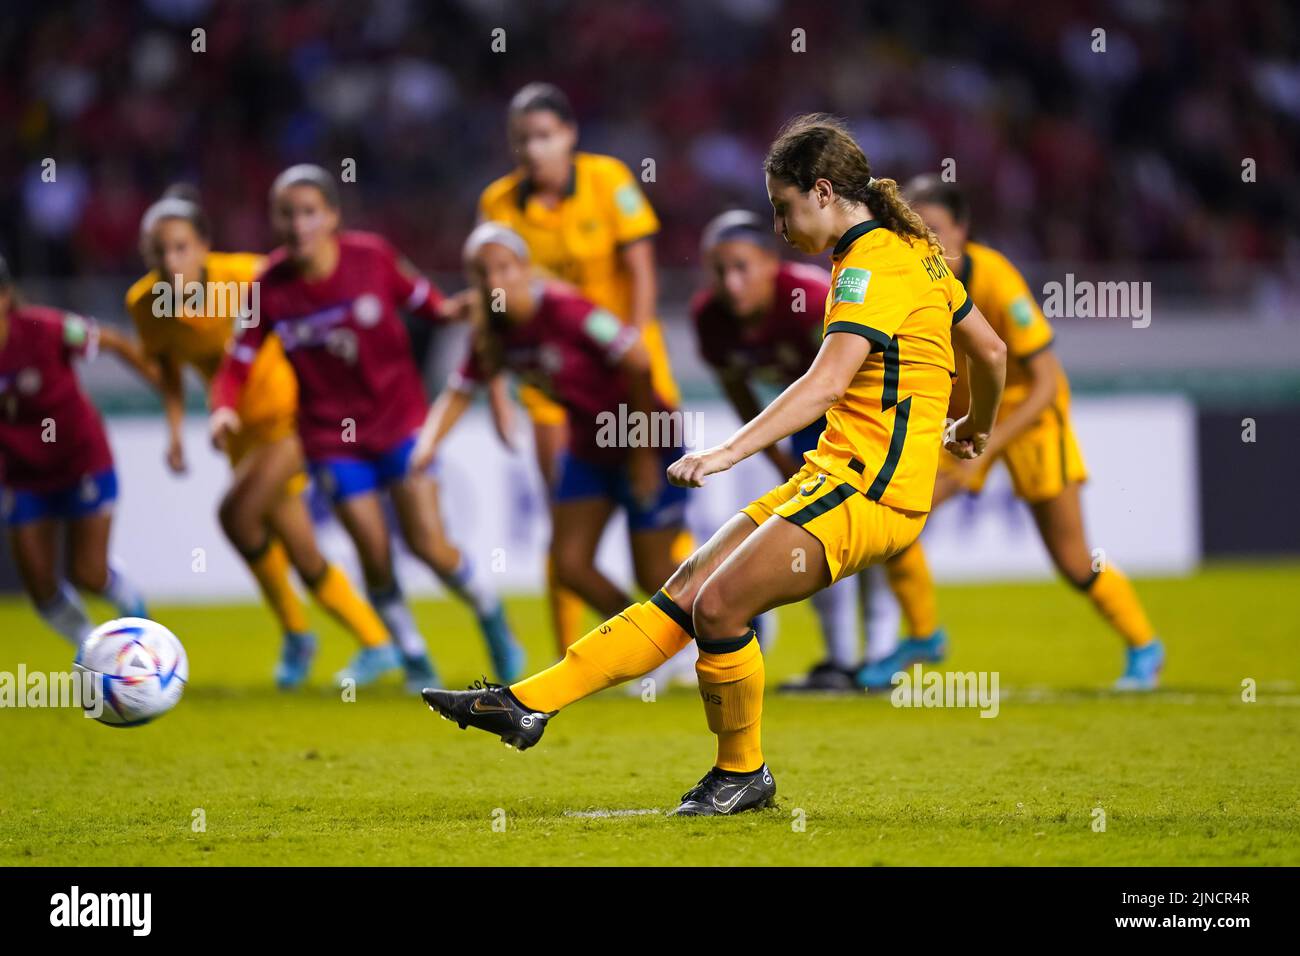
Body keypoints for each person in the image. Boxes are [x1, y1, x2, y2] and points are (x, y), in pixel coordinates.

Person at [422, 114, 1008, 816]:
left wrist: (729, 452)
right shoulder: (915, 252)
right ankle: (524, 703)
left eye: (784, 208)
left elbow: (824, 385)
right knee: (684, 591)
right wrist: (975, 423)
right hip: (838, 477)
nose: (782, 227)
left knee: (720, 607)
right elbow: (990, 350)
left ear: (823, 193)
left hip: (868, 487)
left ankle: (742, 773)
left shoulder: (871, 266)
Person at [210, 164, 523, 692]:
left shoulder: (372, 259)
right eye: (286, 214)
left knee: (429, 544)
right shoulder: (269, 285)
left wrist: (466, 311)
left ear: (331, 215)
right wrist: (223, 407)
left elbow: (431, 306)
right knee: (373, 554)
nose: (298, 224)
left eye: (309, 211)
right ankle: (414, 656)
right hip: (331, 441)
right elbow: (238, 360)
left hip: (401, 424)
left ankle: (493, 622)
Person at [871, 175, 1164, 691]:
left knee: (1075, 561)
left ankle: (1145, 645)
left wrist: (987, 447)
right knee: (891, 518)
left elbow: (1047, 383)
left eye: (934, 228)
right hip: (958, 422)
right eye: (912, 228)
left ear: (962, 229)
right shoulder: (911, 279)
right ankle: (923, 635)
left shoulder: (998, 280)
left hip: (1028, 419)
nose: (922, 239)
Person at [127, 185, 395, 689]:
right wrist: (176, 430)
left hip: (294, 416)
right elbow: (165, 368)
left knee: (236, 514)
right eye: (158, 251)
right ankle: (378, 643)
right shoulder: (146, 304)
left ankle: (297, 632)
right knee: (300, 549)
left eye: (181, 247)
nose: (171, 260)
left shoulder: (250, 276)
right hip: (238, 430)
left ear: (205, 245)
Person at [691, 209, 949, 691]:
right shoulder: (711, 319)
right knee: (806, 542)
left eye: (742, 267)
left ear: (772, 264)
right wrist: (771, 455)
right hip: (804, 423)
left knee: (869, 540)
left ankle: (878, 653)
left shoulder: (811, 300)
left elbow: (854, 370)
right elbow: (739, 388)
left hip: (866, 418)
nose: (731, 282)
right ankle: (839, 658)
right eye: (719, 270)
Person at [476, 82, 689, 655]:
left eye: (544, 136)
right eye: (521, 140)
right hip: (551, 381)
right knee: (564, 516)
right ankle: (576, 649)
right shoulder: (497, 203)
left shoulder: (609, 181)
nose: (533, 150)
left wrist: (635, 340)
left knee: (657, 503)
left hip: (627, 369)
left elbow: (642, 268)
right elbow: (490, 302)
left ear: (569, 135)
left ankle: (693, 616)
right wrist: (497, 390)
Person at [414, 222, 687, 628]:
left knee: (651, 573)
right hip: (588, 450)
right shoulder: (491, 333)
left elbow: (639, 362)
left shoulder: (569, 311)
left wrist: (644, 454)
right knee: (570, 565)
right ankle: (651, 640)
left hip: (646, 435)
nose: (495, 281)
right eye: (483, 273)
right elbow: (459, 391)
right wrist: (425, 448)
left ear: (524, 268)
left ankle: (728, 614)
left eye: (504, 268)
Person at [0, 254, 153, 645]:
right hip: (22, 476)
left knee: (88, 573)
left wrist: (164, 389)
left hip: (80, 460)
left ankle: (134, 608)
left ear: (5, 297)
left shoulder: (46, 329)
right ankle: (92, 649)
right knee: (39, 585)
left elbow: (114, 340)